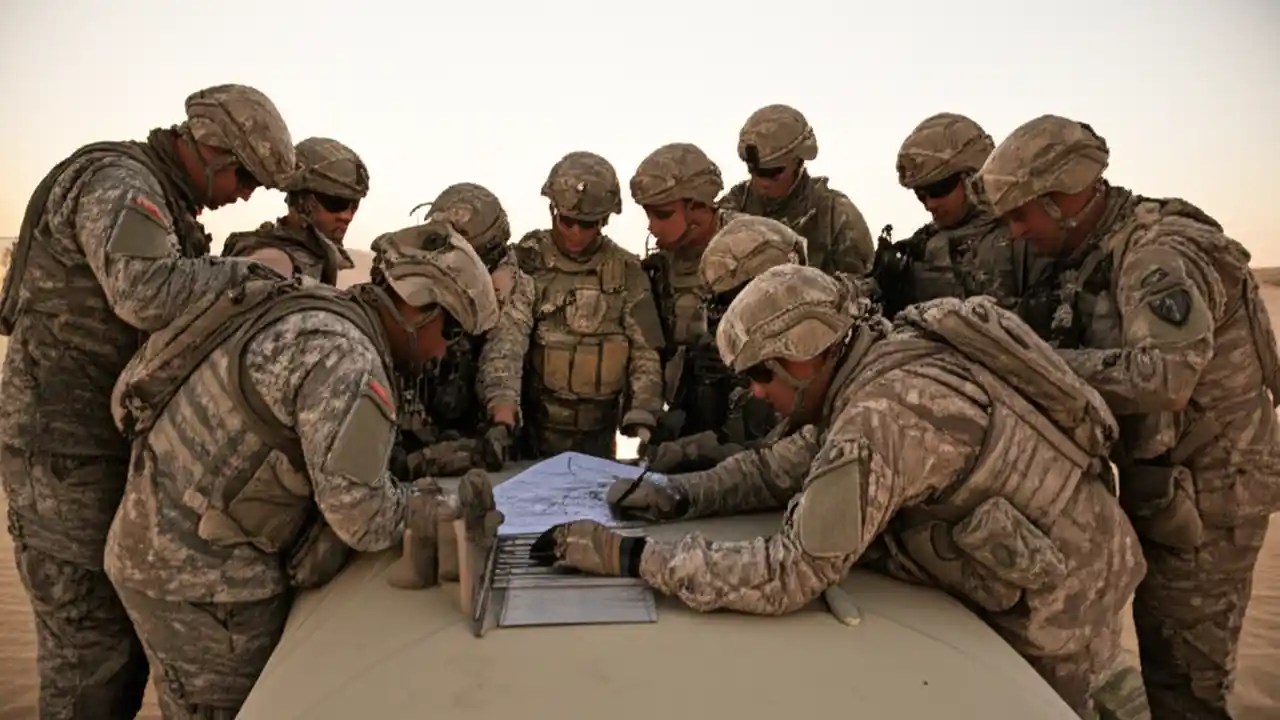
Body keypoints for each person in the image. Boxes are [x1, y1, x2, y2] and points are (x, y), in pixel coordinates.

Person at [532, 264, 1146, 718]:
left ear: (802, 358)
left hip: (1059, 605)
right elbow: (780, 468)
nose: (755, 395)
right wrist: (681, 494)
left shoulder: (882, 415)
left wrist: (630, 557)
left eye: (760, 376)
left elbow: (788, 573)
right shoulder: (872, 360)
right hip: (1040, 565)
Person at [103, 219, 499, 717]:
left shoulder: (311, 309)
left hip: (168, 554)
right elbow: (362, 516)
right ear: (419, 308)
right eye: (452, 331)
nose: (447, 352)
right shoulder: (347, 359)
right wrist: (439, 511)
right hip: (203, 584)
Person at [0, 82, 298, 720]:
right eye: (245, 174)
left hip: (96, 452)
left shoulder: (164, 202)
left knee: (123, 660)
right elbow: (149, 295)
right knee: (90, 667)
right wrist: (254, 275)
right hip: (64, 460)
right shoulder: (118, 182)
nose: (245, 193)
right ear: (211, 148)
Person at [975, 113, 1280, 719]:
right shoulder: (1103, 250)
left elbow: (1164, 376)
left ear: (1065, 196)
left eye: (1021, 214)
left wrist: (1031, 364)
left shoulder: (1156, 254)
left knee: (1185, 688)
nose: (1014, 232)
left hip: (1214, 500)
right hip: (1170, 493)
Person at [511, 151, 665, 459]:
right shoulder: (528, 262)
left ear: (605, 220)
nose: (577, 234)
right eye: (568, 222)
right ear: (553, 210)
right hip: (531, 435)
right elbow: (508, 343)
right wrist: (501, 406)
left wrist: (644, 413)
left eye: (589, 224)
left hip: (598, 438)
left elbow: (646, 351)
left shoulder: (627, 271)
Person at [642, 214, 803, 473]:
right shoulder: (711, 349)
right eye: (718, 303)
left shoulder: (810, 353)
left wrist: (706, 451)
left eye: (732, 301)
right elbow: (674, 432)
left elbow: (796, 456)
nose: (723, 316)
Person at [391, 182, 530, 477]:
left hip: (472, 420)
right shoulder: (414, 268)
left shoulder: (507, 284)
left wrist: (501, 422)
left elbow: (504, 353)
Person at [629, 142, 743, 446]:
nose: (652, 227)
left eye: (663, 215)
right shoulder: (659, 268)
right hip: (688, 417)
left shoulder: (752, 247)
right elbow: (647, 350)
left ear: (697, 205)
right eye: (648, 215)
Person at [873, 112, 1030, 316]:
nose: (930, 204)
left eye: (939, 189)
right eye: (920, 195)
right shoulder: (922, 245)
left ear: (972, 179)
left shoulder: (1025, 235)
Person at [717, 103, 873, 275]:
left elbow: (863, 285)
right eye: (754, 171)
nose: (762, 181)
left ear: (798, 162)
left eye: (773, 172)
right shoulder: (734, 206)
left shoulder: (835, 215)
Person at [223, 136, 370, 284]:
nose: (347, 216)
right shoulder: (275, 260)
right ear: (301, 200)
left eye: (354, 206)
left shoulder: (315, 256)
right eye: (336, 203)